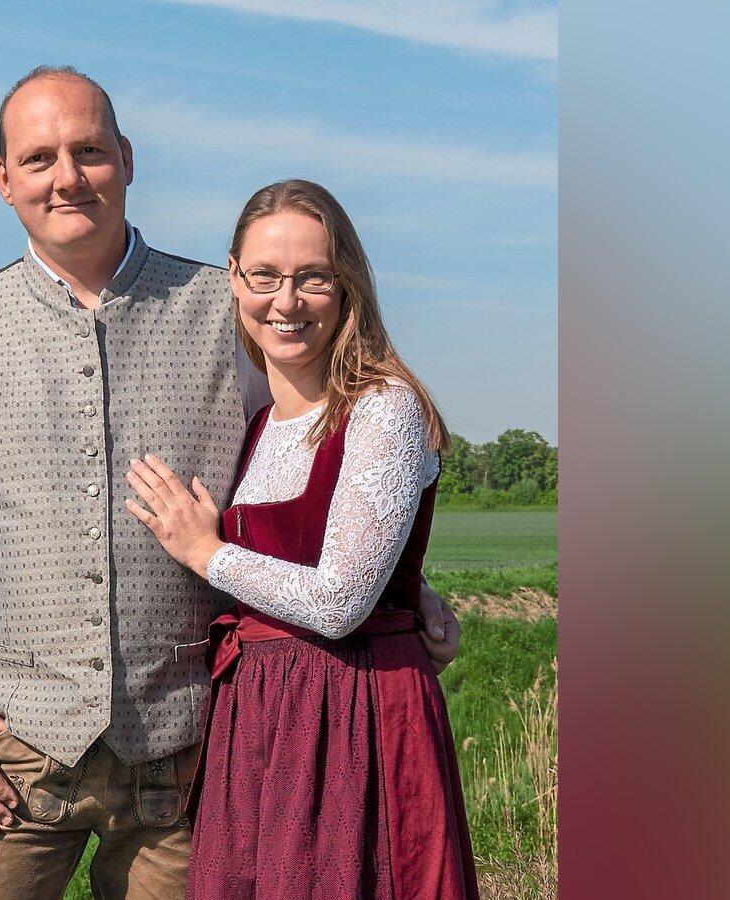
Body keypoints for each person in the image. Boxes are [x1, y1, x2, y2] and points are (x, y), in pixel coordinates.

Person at [0, 66, 463, 900]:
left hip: (191, 762)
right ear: (4, 180)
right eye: (38, 158)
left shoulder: (227, 312)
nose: (67, 176)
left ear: (126, 156)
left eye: (88, 150)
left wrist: (405, 588)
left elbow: (306, 478)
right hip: (4, 754)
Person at [124, 179, 479, 898]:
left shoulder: (383, 406)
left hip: (353, 716)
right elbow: (335, 544)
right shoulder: (259, 421)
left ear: (347, 285)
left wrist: (206, 551)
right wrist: (415, 589)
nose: (285, 302)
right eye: (265, 277)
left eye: (312, 277)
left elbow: (343, 600)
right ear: (234, 278)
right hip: (258, 719)